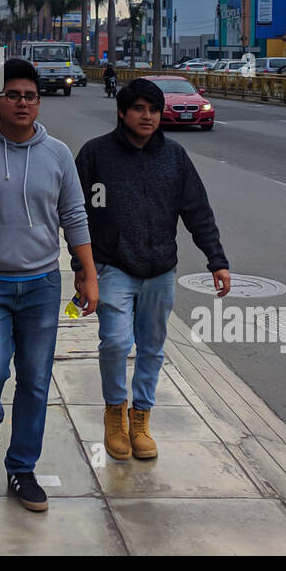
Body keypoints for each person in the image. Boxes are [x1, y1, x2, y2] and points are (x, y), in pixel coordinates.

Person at [0, 58, 99, 513]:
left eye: (30, 96)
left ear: (38, 104)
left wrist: (86, 272)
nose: (22, 102)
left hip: (43, 284)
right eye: (13, 95)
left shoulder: (59, 154)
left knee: (35, 379)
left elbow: (74, 216)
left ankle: (22, 468)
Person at [75, 79, 231, 461]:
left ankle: (141, 417)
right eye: (140, 109)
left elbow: (197, 210)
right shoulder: (96, 155)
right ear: (122, 112)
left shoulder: (174, 157)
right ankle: (115, 412)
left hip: (160, 270)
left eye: (154, 110)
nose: (148, 117)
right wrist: (83, 268)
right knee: (114, 342)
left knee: (152, 347)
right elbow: (75, 214)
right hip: (112, 266)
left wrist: (217, 260)